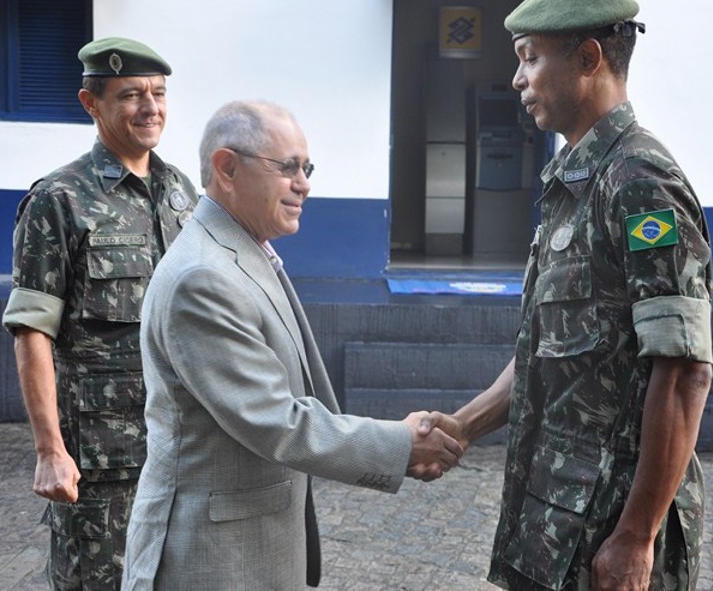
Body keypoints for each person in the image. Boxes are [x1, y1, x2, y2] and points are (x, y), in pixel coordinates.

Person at [429, 0, 713, 590]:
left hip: (611, 527)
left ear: (588, 59)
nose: (517, 78)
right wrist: (463, 426)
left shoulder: (640, 184)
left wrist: (637, 537)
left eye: (531, 57)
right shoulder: (572, 180)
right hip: (554, 517)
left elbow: (685, 371)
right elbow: (546, 349)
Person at [121, 100, 463, 590]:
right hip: (211, 558)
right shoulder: (203, 277)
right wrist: (399, 444)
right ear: (227, 168)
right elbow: (274, 420)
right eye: (287, 168)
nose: (304, 183)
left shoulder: (241, 252)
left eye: (306, 167)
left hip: (246, 545)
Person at [2, 37, 198, 590]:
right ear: (92, 104)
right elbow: (31, 329)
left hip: (179, 447)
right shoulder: (60, 200)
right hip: (104, 462)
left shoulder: (181, 192)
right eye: (131, 95)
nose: (150, 107)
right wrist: (49, 451)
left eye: (158, 94)